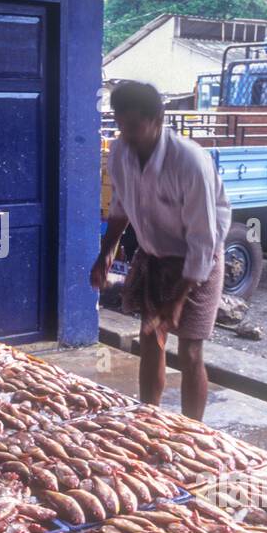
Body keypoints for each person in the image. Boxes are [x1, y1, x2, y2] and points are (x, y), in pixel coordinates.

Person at [90, 80, 230, 420]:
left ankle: (193, 432)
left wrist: (178, 298)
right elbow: (121, 206)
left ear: (157, 119)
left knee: (190, 349)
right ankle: (148, 419)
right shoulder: (121, 151)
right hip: (153, 255)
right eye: (121, 126)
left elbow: (203, 240)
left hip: (198, 259)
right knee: (150, 337)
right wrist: (105, 254)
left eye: (134, 126)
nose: (127, 135)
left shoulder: (190, 162)